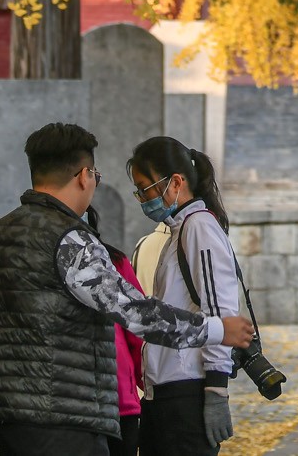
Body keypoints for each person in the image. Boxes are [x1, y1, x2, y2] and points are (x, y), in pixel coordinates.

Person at [0, 122, 251, 456]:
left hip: (4, 422)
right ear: (84, 175)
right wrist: (216, 329)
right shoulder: (68, 241)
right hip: (64, 419)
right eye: (95, 174)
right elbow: (133, 311)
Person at [0, 207, 150, 456]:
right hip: (59, 414)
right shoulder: (23, 273)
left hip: (115, 410)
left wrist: (154, 390)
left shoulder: (113, 264)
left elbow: (136, 335)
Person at [128, 135, 252, 456]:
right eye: (138, 191)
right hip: (165, 394)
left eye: (146, 189)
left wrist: (215, 391)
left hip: (187, 393)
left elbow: (220, 311)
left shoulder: (199, 227)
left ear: (176, 182)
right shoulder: (179, 230)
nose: (143, 199)